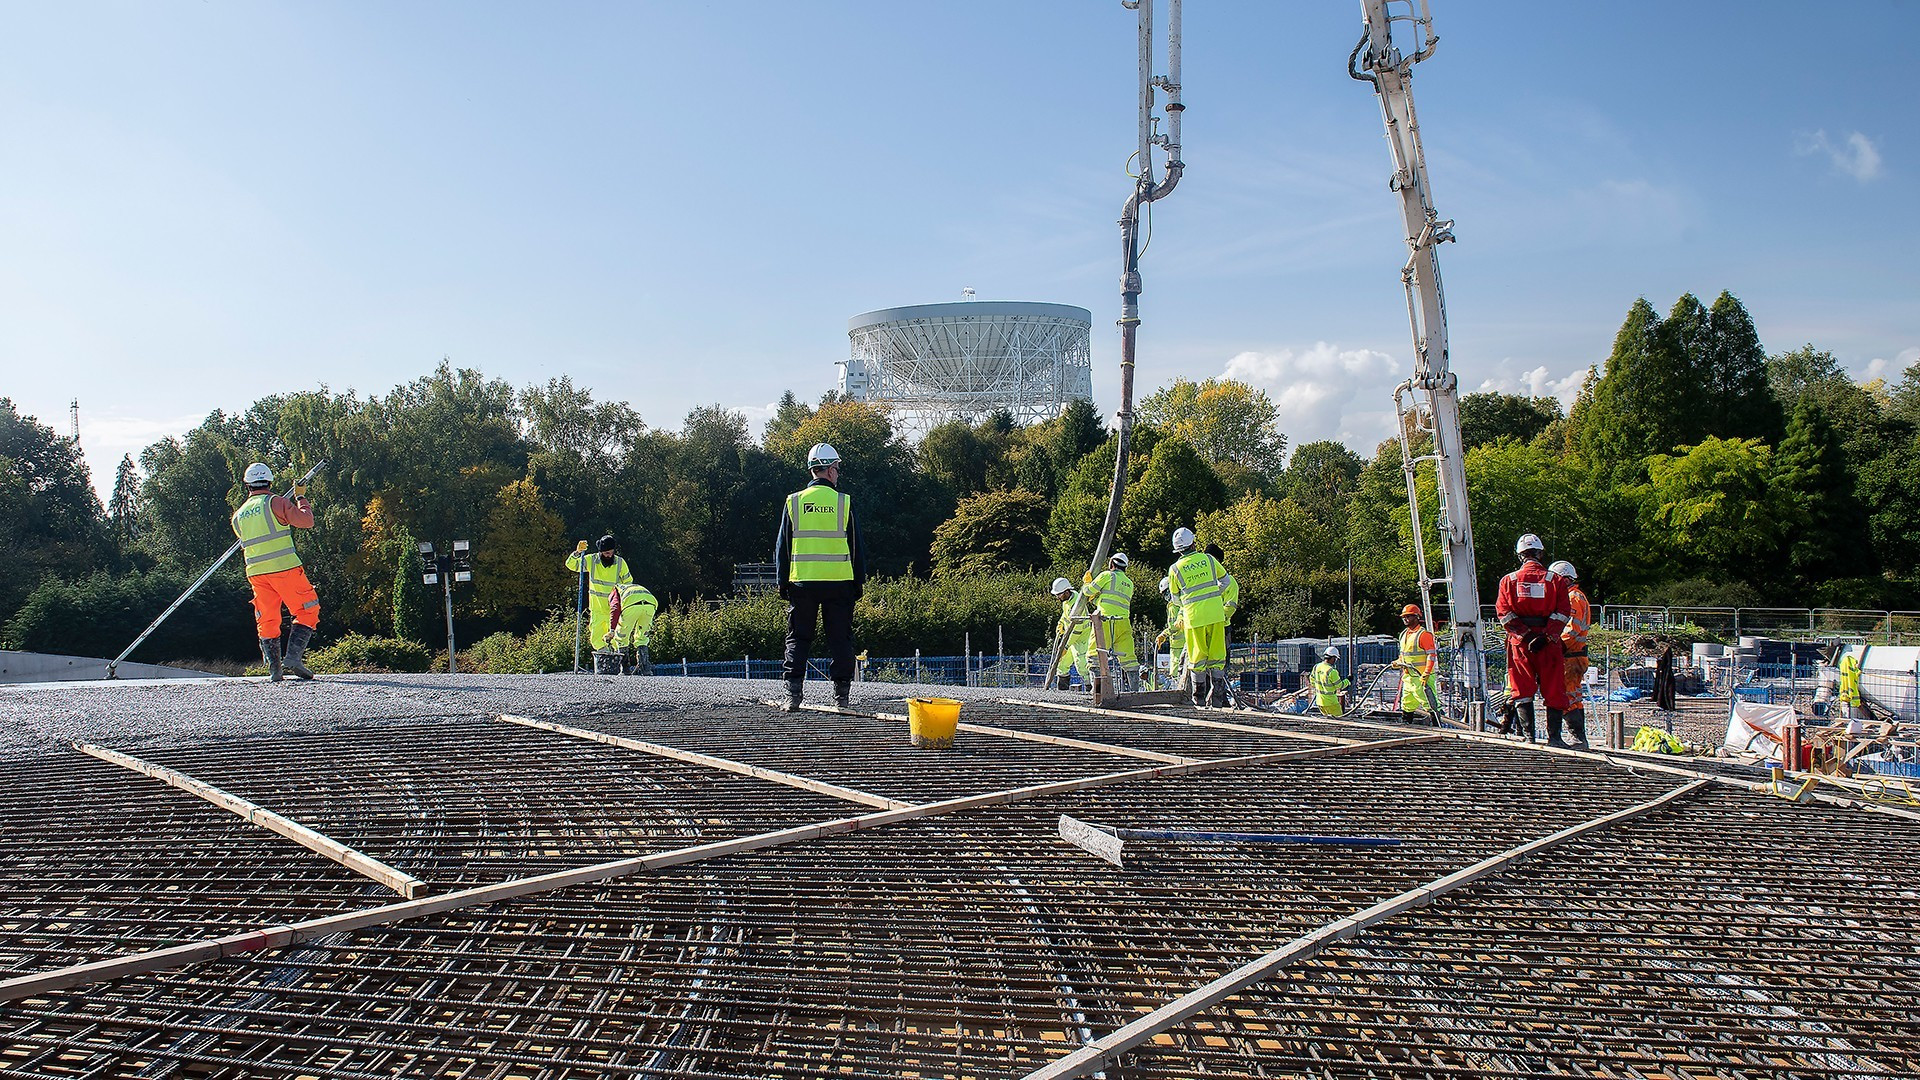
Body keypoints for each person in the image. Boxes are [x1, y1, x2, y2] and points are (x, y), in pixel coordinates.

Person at [775, 442, 864, 712]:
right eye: (837, 468)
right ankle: (841, 697)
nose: (838, 473)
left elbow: (783, 546)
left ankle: (793, 696)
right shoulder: (843, 502)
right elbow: (857, 546)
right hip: (839, 583)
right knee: (840, 639)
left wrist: (782, 581)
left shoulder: (794, 501)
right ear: (828, 470)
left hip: (802, 582)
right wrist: (858, 582)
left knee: (798, 638)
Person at [231, 462, 320, 682]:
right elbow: (306, 521)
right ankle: (293, 658)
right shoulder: (276, 502)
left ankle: (275, 670)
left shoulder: (238, 515)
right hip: (285, 569)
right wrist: (300, 498)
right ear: (269, 481)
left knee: (267, 619)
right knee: (308, 610)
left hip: (256, 574)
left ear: (247, 485)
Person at [1495, 533, 1573, 746]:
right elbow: (1564, 612)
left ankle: (1529, 737)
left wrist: (1526, 635)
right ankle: (1555, 739)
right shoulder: (1555, 580)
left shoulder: (1508, 581)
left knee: (1521, 687)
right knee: (1554, 687)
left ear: (1520, 556)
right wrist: (1546, 636)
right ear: (1540, 553)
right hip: (1548, 643)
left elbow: (1504, 613)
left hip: (1520, 644)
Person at [1168, 527, 1237, 708]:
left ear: (1178, 549)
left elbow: (1175, 599)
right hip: (1215, 615)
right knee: (1217, 657)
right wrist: (1212, 595)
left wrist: (1189, 602)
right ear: (1193, 542)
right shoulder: (1209, 559)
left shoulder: (1175, 568)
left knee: (1197, 659)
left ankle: (1198, 701)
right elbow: (1226, 581)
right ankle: (1217, 702)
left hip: (1194, 617)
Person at [566, 535, 632, 674]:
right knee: (596, 639)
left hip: (614, 609)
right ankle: (604, 666)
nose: (608, 555)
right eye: (605, 553)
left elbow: (628, 584)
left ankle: (618, 667)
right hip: (596, 609)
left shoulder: (620, 563)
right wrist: (577, 553)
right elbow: (571, 565)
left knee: (616, 638)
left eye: (610, 552)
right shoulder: (591, 560)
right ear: (600, 551)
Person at [1550, 559, 1592, 748]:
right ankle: (1578, 738)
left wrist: (1556, 647)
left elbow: (1571, 630)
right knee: (1572, 696)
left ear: (1565, 579)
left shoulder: (1573, 598)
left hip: (1571, 656)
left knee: (1570, 696)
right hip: (1573, 656)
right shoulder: (1573, 596)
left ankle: (1578, 738)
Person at [1083, 552, 1138, 692]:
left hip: (1105, 621)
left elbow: (1088, 591)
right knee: (1129, 660)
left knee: (1094, 656)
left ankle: (1098, 691)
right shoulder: (1129, 583)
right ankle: (1134, 691)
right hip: (1123, 622)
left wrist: (1087, 582)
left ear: (1111, 563)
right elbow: (1113, 600)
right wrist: (1096, 600)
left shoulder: (1106, 575)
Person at [1393, 604, 1438, 722]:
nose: (1405, 619)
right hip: (1409, 677)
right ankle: (1406, 725)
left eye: (1408, 616)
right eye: (1404, 617)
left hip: (1422, 678)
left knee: (1430, 704)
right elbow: (1403, 656)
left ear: (1417, 617)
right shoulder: (1404, 634)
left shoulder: (1424, 635)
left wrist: (1426, 673)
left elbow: (1431, 655)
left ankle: (1438, 727)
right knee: (1407, 704)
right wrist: (1398, 662)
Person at [604, 581, 658, 675]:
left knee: (621, 637)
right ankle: (646, 669)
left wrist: (612, 630)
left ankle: (625, 670)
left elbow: (615, 608)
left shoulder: (615, 591)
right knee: (642, 637)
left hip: (631, 605)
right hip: (650, 605)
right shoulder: (631, 588)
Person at [1051, 577, 1091, 690]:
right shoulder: (1067, 601)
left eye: (1059, 594)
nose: (1057, 597)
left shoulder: (1078, 604)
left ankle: (1091, 690)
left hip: (1082, 638)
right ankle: (1062, 691)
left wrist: (1066, 646)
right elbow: (1065, 615)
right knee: (1062, 664)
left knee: (1083, 666)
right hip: (1070, 638)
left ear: (1066, 592)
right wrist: (1061, 623)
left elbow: (1077, 630)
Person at [1153, 576, 1187, 693]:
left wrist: (1164, 634)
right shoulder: (1182, 603)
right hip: (1183, 644)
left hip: (1177, 646)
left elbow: (1174, 625)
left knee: (1177, 675)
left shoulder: (1173, 606)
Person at [1310, 645, 1349, 717]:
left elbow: (1312, 681)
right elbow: (1339, 686)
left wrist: (1320, 687)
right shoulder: (1332, 671)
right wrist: (1348, 680)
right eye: (1335, 659)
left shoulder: (1317, 667)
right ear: (1333, 658)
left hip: (1319, 702)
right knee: (1339, 722)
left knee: (1327, 724)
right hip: (1331, 703)